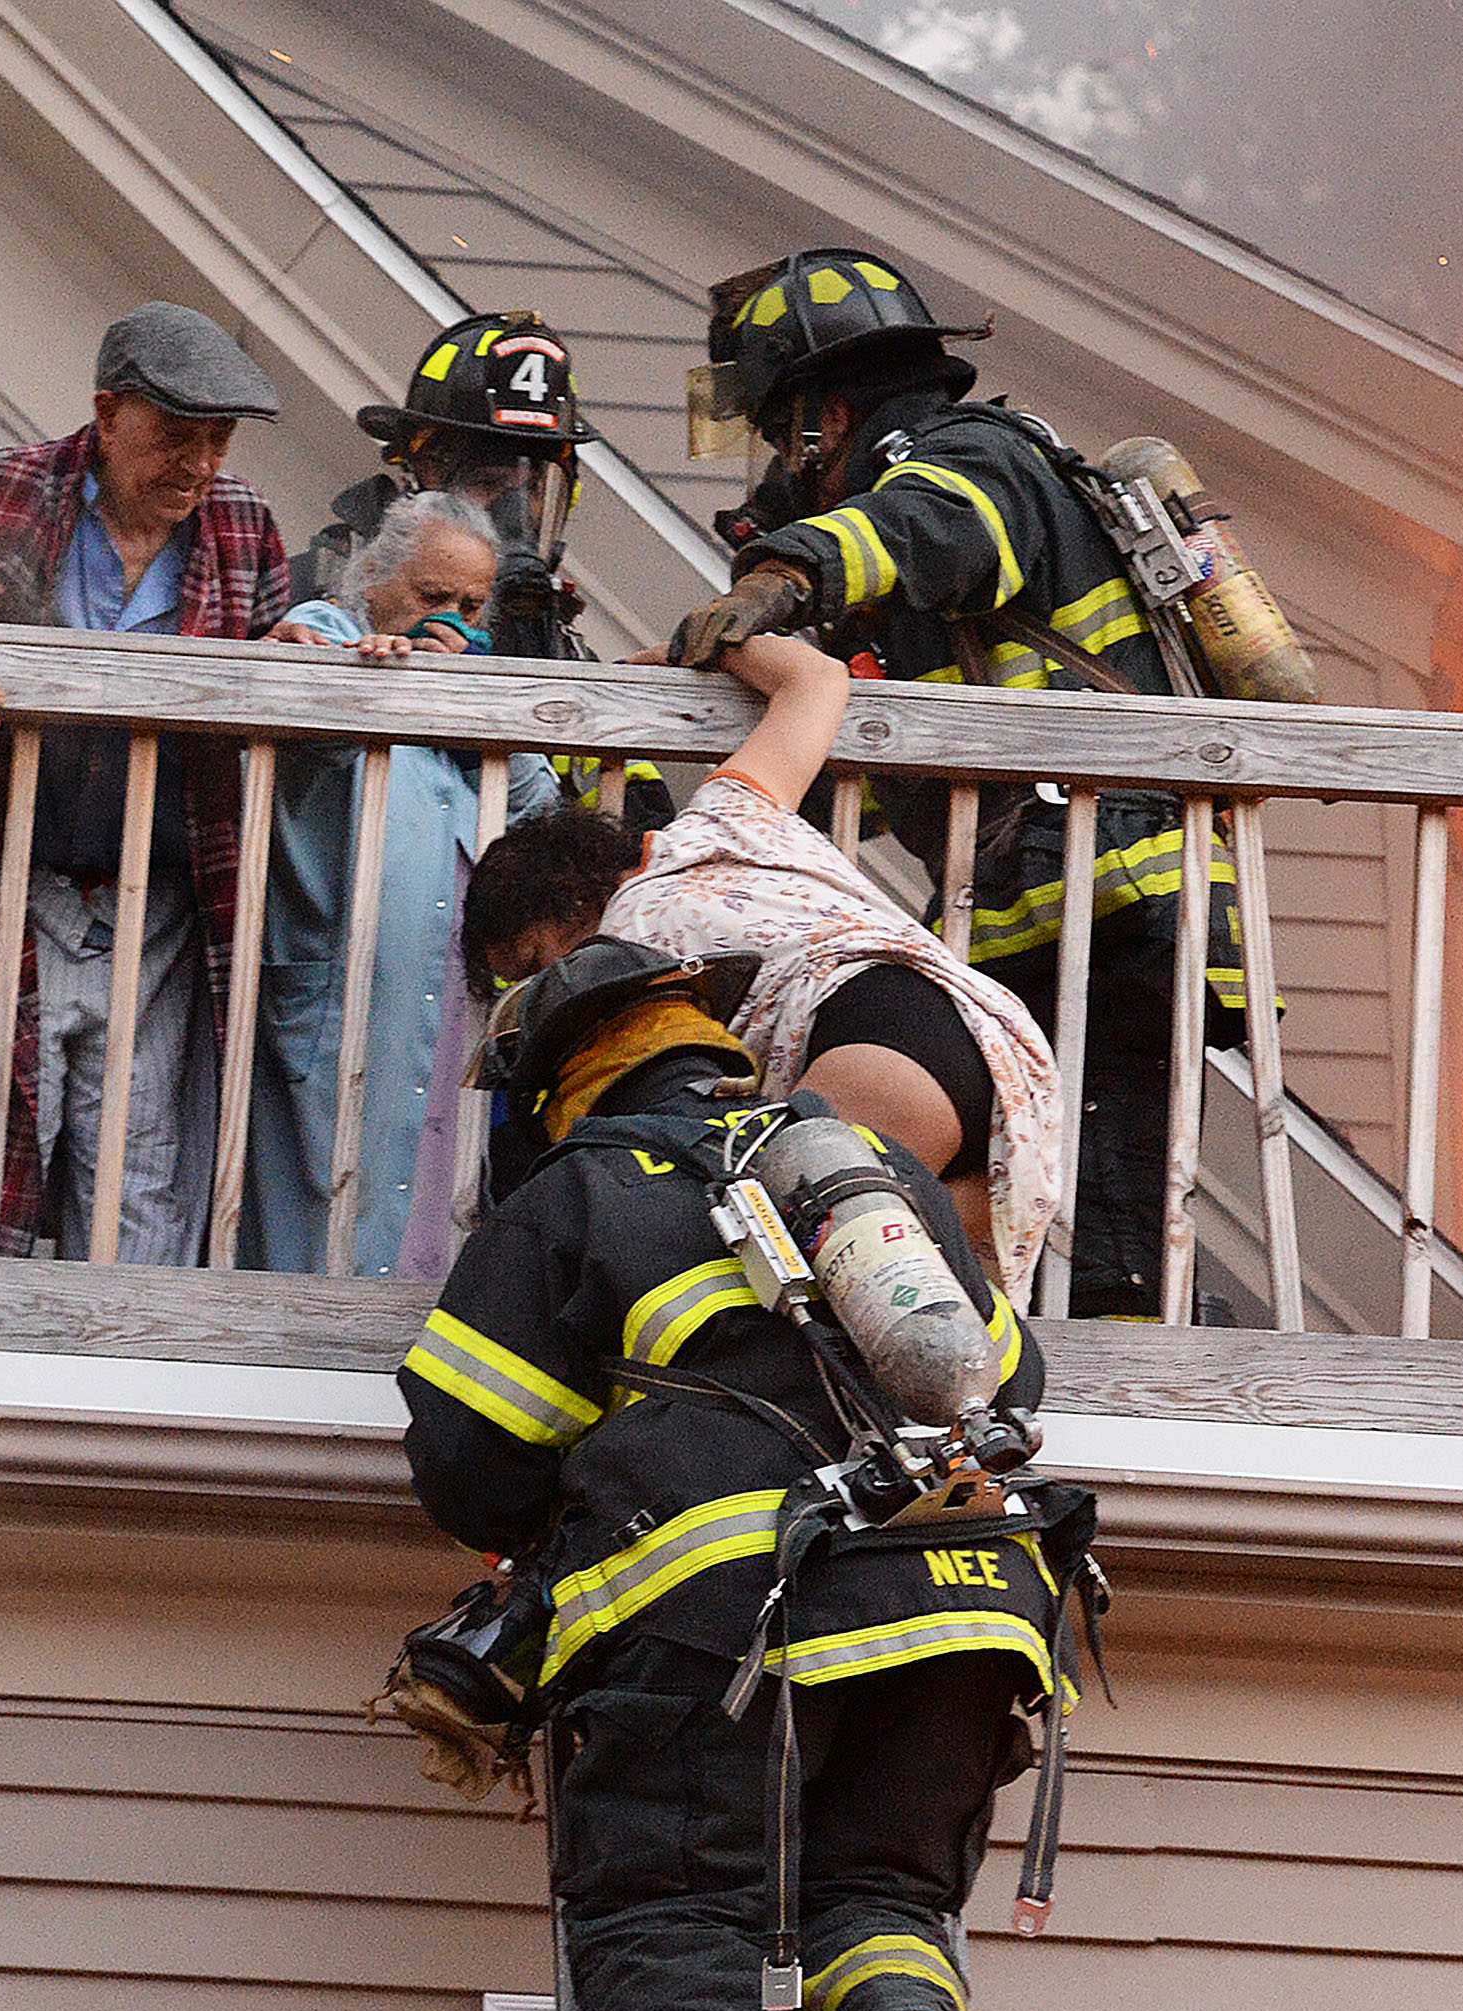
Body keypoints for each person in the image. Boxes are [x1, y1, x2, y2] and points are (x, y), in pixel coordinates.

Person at [396, 917, 1075, 2011]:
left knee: (675, 1915)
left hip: (730, 1626)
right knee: (873, 1891)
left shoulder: (578, 1193)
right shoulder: (860, 1169)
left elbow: (471, 1458)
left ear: (553, 1089)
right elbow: (1004, 1377)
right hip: (966, 1601)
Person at [669, 247, 1250, 1315]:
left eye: (783, 435)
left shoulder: (976, 460)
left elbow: (927, 529)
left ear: (827, 417)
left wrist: (790, 571)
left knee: (1103, 1228)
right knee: (1037, 1196)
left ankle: (1127, 1373)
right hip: (1033, 911)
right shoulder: (911, 534)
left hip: (1114, 902)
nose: (781, 467)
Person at [461, 633, 1060, 1302]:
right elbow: (816, 679)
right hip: (998, 1058)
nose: (542, 991)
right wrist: (697, 645)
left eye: (534, 963)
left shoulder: (617, 954)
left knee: (758, 1286)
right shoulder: (727, 813)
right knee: (913, 1326)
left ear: (562, 897)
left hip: (862, 1039)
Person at [0, 302, 290, 1259]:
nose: (198, 463)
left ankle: (122, 1349)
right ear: (107, 415)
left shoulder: (242, 528)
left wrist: (303, 647)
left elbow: (276, 651)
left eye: (218, 440)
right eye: (176, 435)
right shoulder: (2, 492)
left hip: (159, 902)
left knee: (138, 1169)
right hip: (5, 879)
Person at [244, 494, 558, 1277]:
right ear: (373, 580)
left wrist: (473, 705)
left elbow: (540, 811)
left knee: (430, 1209)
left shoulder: (473, 682)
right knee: (319, 1223)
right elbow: (304, 723)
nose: (451, 620)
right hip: (340, 1002)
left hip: (450, 1002)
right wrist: (376, 684)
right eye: (431, 596)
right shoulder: (332, 632)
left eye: (472, 606)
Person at [295, 308, 673, 829]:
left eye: (533, 487)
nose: (513, 517)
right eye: (490, 482)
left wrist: (605, 701)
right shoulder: (316, 601)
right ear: (425, 472)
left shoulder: (556, 645)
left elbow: (635, 823)